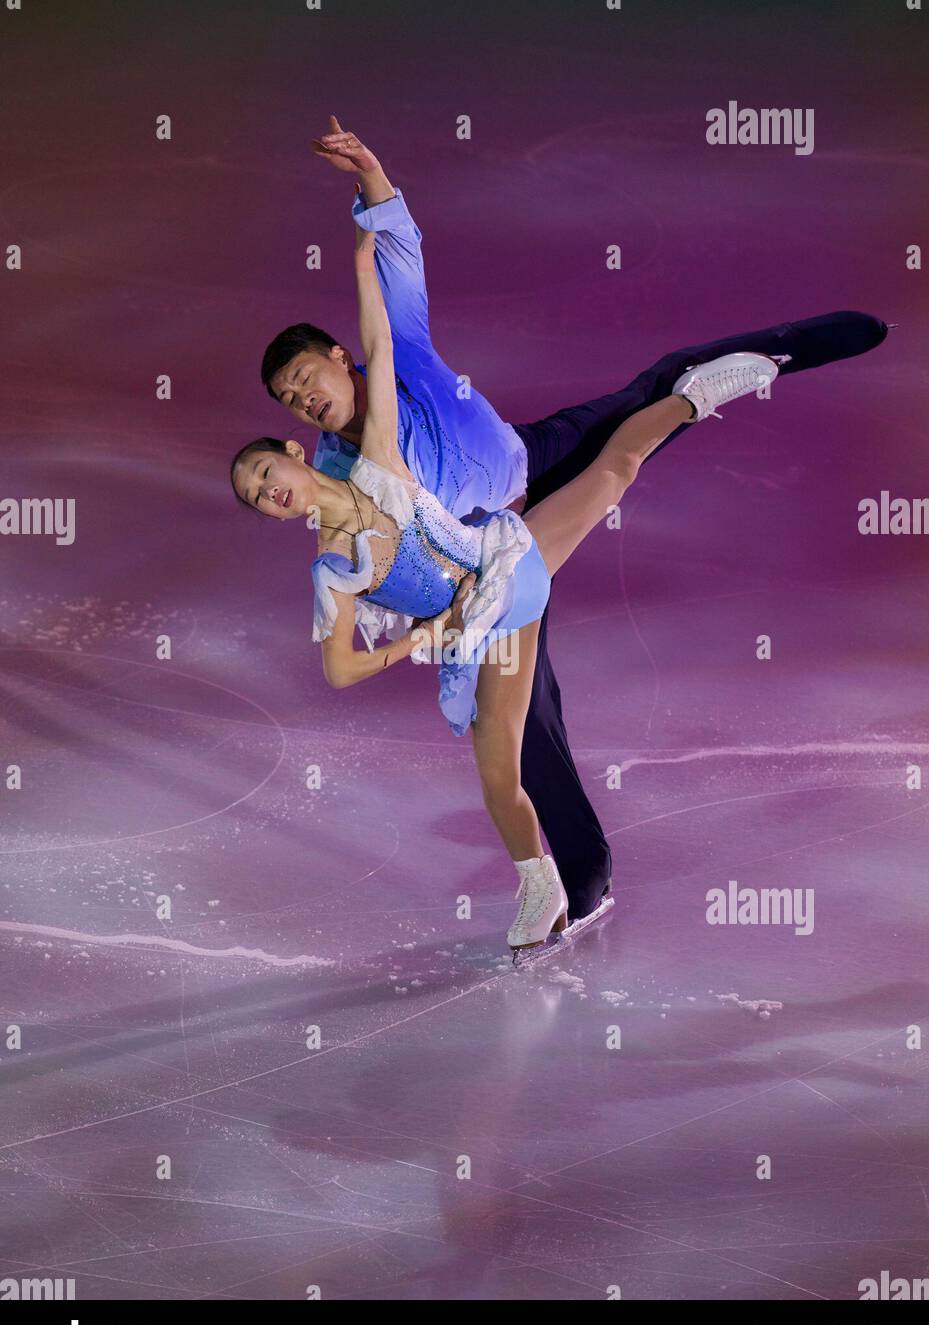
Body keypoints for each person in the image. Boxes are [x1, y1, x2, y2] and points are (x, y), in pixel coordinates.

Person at [256, 117, 889, 927]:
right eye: (289, 398)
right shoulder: (330, 475)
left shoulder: (397, 357)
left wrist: (371, 179)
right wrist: (425, 626)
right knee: (530, 729)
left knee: (650, 393)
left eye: (307, 376)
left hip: (533, 461)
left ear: (340, 359)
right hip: (487, 566)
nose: (305, 398)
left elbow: (398, 260)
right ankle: (579, 884)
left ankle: (779, 354)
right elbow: (377, 561)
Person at [232, 218, 783, 953]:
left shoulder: (378, 466)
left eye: (267, 473)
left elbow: (377, 346)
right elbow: (339, 668)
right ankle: (539, 887)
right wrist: (424, 637)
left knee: (612, 471)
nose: (270, 492)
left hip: (505, 564)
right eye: (256, 497)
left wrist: (366, 259)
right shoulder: (331, 568)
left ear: (295, 457)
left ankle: (697, 395)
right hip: (479, 631)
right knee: (499, 774)